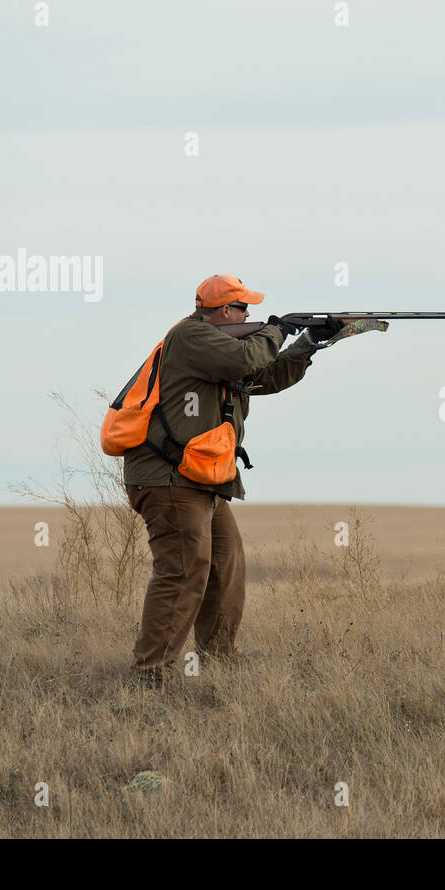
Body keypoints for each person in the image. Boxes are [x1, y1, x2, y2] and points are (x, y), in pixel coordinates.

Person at [121, 274, 339, 687]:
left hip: (202, 478)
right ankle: (149, 675)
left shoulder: (219, 352)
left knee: (225, 567)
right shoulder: (190, 337)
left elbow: (263, 377)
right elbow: (246, 360)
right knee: (184, 570)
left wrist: (309, 343)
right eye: (243, 309)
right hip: (170, 477)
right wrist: (279, 328)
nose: (248, 315)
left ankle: (218, 662)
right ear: (224, 311)